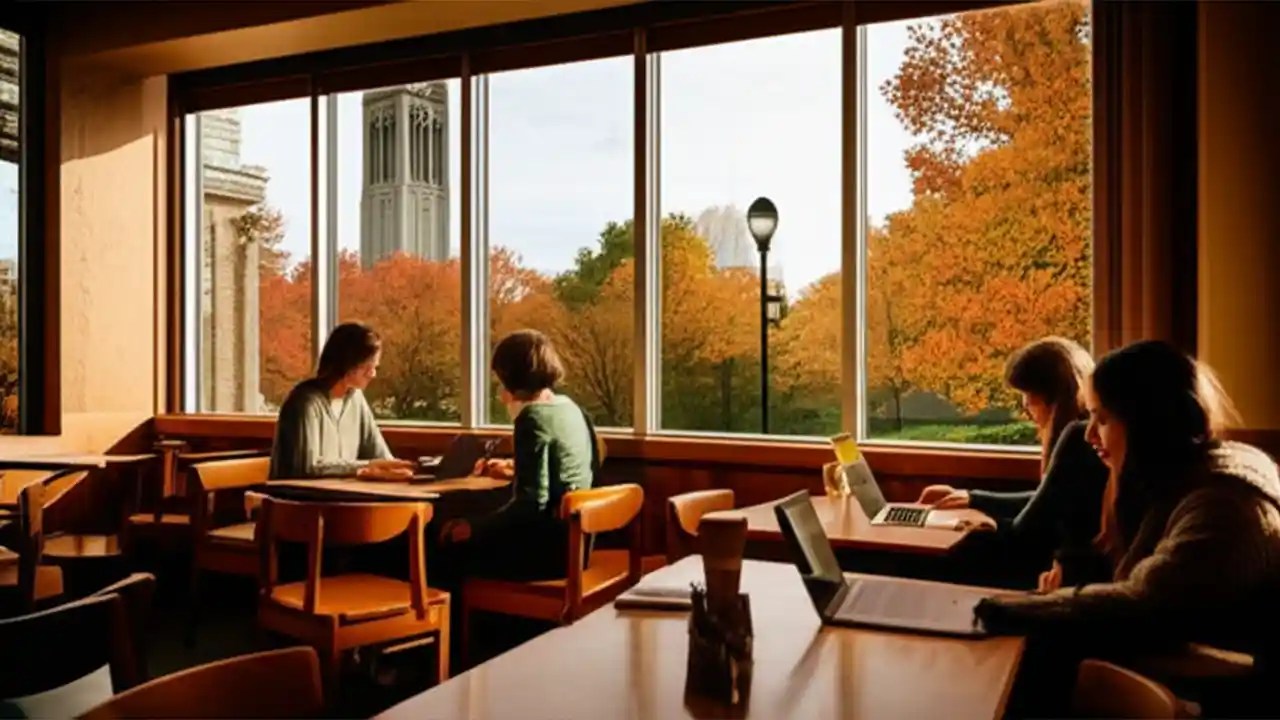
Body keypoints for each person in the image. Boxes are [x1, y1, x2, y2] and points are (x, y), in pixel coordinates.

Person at [974, 341, 1280, 710]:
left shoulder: (1224, 505)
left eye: (1102, 419)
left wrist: (1018, 608)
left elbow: (1148, 603)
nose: (1089, 435)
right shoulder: (1178, 481)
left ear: (1147, 422)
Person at [918, 337, 1109, 587]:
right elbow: (1047, 499)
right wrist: (973, 498)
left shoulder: (1077, 439)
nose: (1026, 408)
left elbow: (1021, 537)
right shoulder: (1087, 441)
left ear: (1050, 398)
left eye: (1028, 397)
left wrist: (985, 524)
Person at [439, 329, 598, 581]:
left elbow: (530, 505)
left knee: (442, 545)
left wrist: (473, 527)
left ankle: (452, 620)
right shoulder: (572, 409)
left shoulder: (532, 417)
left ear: (508, 376)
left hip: (546, 554)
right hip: (578, 544)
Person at [268, 322, 414, 480]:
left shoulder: (356, 399)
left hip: (341, 498)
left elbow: (379, 455)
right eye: (367, 367)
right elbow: (306, 468)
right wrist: (366, 467)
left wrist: (400, 469)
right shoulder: (305, 403)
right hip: (299, 501)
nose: (372, 374)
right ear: (348, 364)